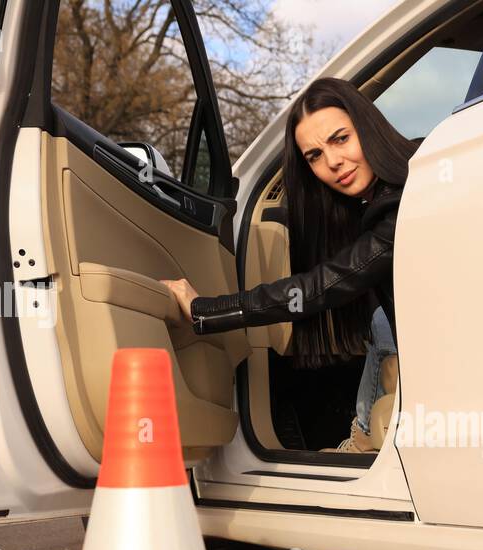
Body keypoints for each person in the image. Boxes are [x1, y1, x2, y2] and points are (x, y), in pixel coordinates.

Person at [163, 76, 421, 451]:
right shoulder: (388, 193)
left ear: (367, 126)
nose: (333, 162)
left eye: (341, 138)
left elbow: (321, 287)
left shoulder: (408, 197)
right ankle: (365, 436)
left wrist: (208, 309)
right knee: (382, 321)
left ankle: (362, 440)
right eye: (315, 156)